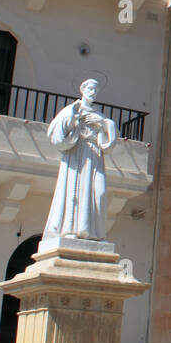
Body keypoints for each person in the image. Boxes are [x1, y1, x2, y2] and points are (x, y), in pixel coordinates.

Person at [43, 79, 117, 242]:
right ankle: (70, 229)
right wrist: (73, 119)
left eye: (95, 90)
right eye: (90, 89)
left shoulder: (99, 115)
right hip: (76, 154)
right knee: (73, 191)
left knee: (99, 192)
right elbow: (55, 132)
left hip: (94, 156)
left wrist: (103, 124)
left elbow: (109, 143)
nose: (93, 92)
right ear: (82, 90)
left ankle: (93, 232)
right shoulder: (71, 109)